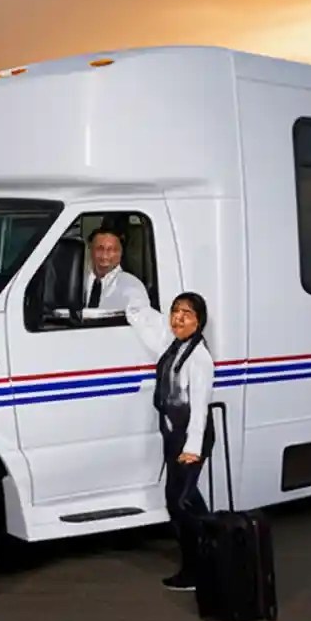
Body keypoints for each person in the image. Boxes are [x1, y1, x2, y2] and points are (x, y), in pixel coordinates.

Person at [126, 291, 215, 591]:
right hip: (174, 435)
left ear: (199, 321)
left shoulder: (199, 358)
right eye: (175, 311)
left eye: (187, 314)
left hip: (190, 438)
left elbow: (200, 408)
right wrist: (133, 311)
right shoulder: (174, 348)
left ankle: (196, 569)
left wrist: (192, 449)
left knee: (179, 502)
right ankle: (213, 551)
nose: (178, 318)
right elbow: (149, 331)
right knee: (187, 499)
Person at [84, 227, 150, 310]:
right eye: (99, 249)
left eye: (111, 249)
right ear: (90, 249)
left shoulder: (131, 286)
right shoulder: (78, 279)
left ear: (121, 252)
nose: (105, 255)